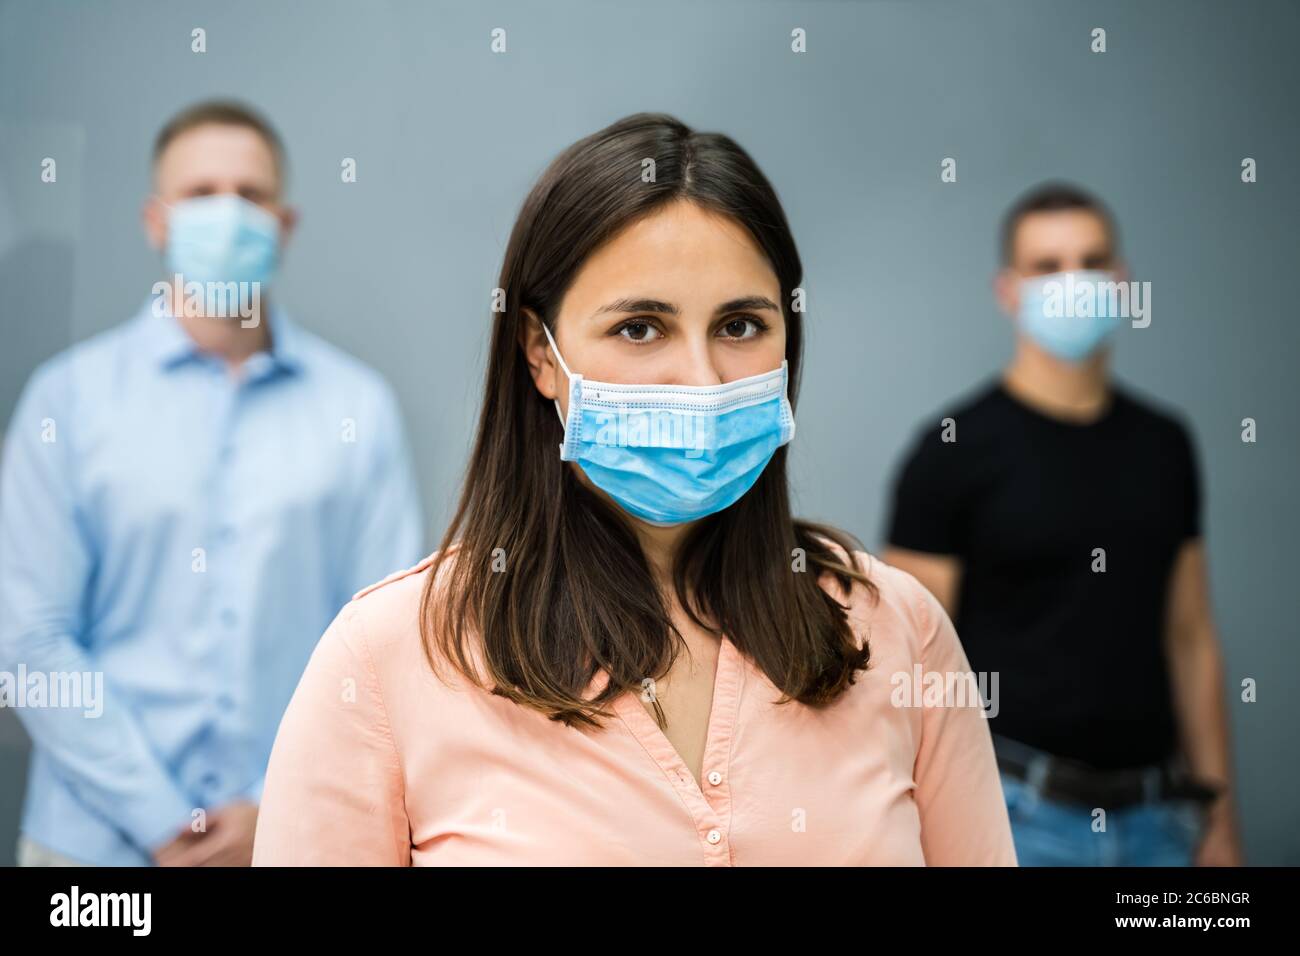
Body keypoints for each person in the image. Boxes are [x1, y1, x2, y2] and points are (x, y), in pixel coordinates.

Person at [252, 113, 1016, 866]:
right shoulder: (390, 658)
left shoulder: (897, 631)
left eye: (741, 326)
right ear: (539, 354)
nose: (701, 378)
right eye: (641, 328)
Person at [0, 100, 424, 866]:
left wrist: (275, 807)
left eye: (251, 194)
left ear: (284, 224)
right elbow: (29, 640)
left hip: (297, 838)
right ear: (156, 221)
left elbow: (388, 642)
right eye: (200, 194)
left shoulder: (357, 408)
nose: (227, 212)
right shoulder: (66, 400)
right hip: (90, 852)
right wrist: (165, 819)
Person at [884, 183, 1242, 866]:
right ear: (1008, 289)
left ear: (1122, 280)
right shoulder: (954, 449)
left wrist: (1219, 818)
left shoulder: (1164, 445)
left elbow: (1191, 637)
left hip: (1158, 820)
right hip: (1013, 814)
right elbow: (910, 662)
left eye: (1091, 260)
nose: (1072, 283)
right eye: (1047, 267)